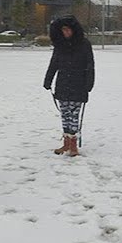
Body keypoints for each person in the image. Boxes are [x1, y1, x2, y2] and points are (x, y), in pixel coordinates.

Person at [44, 14, 95, 157]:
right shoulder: (59, 45)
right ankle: (67, 143)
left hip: (79, 84)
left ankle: (73, 145)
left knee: (74, 116)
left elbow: (90, 65)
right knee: (64, 115)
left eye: (68, 30)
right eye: (63, 30)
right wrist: (48, 80)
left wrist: (89, 83)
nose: (65, 33)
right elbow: (53, 63)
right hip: (62, 84)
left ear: (73, 30)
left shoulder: (84, 44)